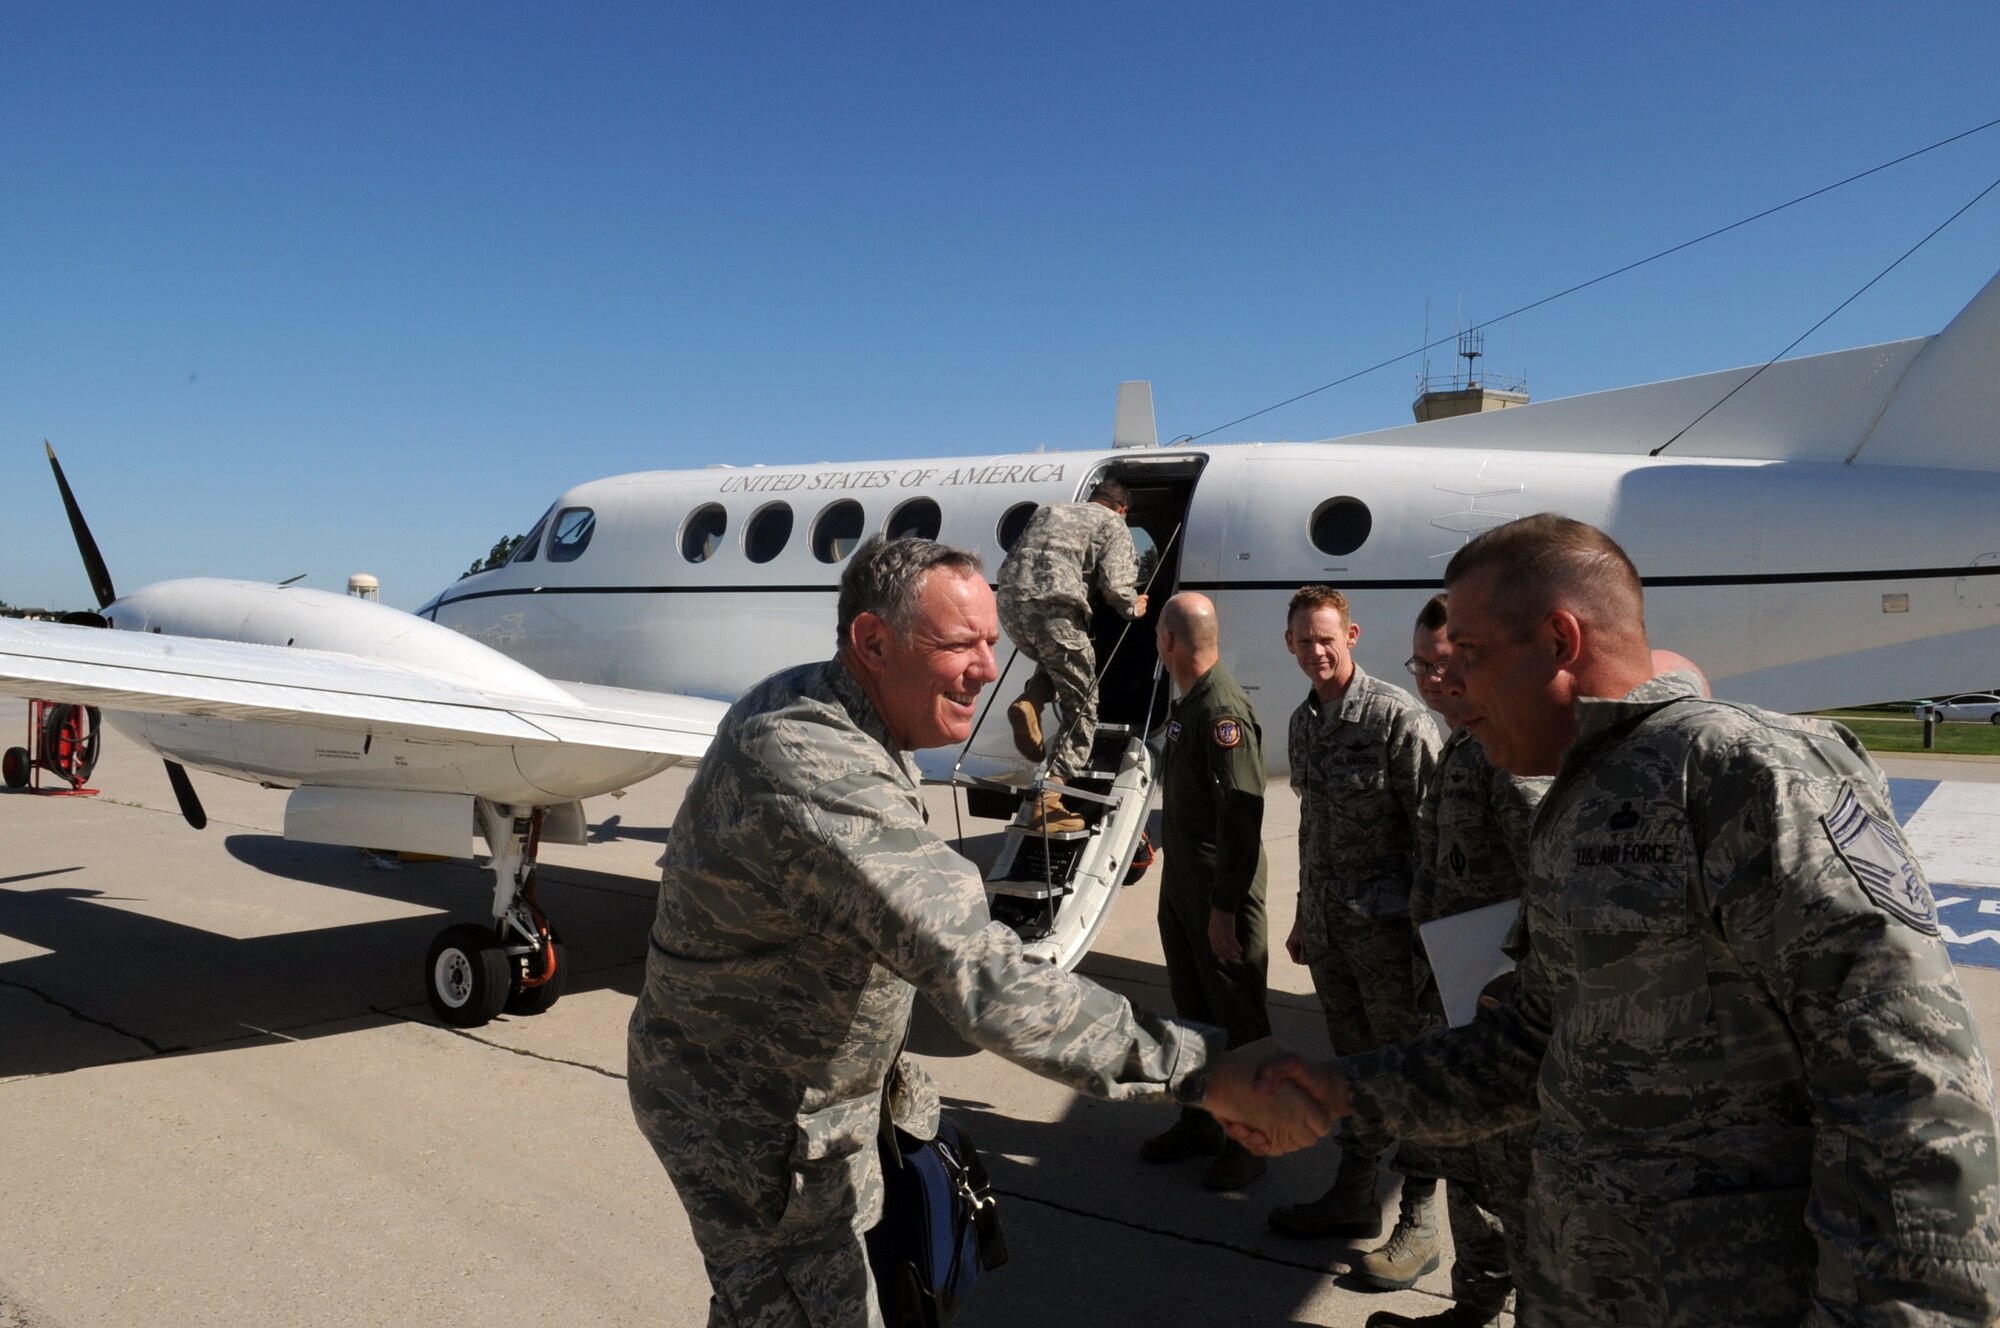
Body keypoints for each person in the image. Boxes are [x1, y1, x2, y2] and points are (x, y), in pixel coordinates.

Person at [1241, 514, 2000, 1327]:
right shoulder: (1584, 796)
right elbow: (1529, 1042)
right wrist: (1334, 1089)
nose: (1452, 682)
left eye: (1471, 653)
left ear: (1559, 640)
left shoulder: (1746, 775)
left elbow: (1915, 1097)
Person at [626, 535, 1325, 1328]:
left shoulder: (832, 708)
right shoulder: (809, 759)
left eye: (992, 643)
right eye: (962, 644)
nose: (989, 671)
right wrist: (1206, 1070)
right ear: (873, 642)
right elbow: (981, 973)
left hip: (804, 1099)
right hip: (753, 1124)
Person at [1368, 593, 1547, 1328]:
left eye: (1447, 664)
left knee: (1517, 1183)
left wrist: (1520, 983)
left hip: (1499, 1013)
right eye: (1421, 666)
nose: (1433, 680)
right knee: (1468, 1166)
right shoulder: (1461, 745)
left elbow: (1553, 881)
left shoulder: (1506, 756)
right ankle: (1474, 1306)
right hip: (1455, 997)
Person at [1268, 586, 1444, 1293]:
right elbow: (1312, 828)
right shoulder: (1303, 723)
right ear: (1289, 643)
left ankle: (1421, 1218)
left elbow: (1434, 836)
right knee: (1354, 1065)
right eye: (1304, 639)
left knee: (1412, 1070)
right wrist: (1303, 914)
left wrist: (1432, 942)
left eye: (1327, 637)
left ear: (1352, 636)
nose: (1317, 651)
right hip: (1332, 935)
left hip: (1393, 943)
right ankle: (1354, 1193)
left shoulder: (1397, 719)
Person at [1138, 591, 1272, 1192]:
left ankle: (1251, 1142)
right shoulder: (1190, 702)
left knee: (1238, 1020)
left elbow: (1242, 817)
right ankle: (1198, 1122)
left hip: (1220, 892)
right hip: (1186, 886)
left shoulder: (1221, 710)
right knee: (1192, 1012)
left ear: (1168, 642)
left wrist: (1223, 908)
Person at [996, 479, 1149, 831]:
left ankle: (1031, 700)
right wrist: (1134, 607)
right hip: (1057, 610)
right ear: (1122, 509)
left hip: (1010, 607)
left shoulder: (1048, 510)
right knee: (1082, 707)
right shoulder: (1113, 524)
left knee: (1056, 658)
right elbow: (1116, 586)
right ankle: (1048, 803)